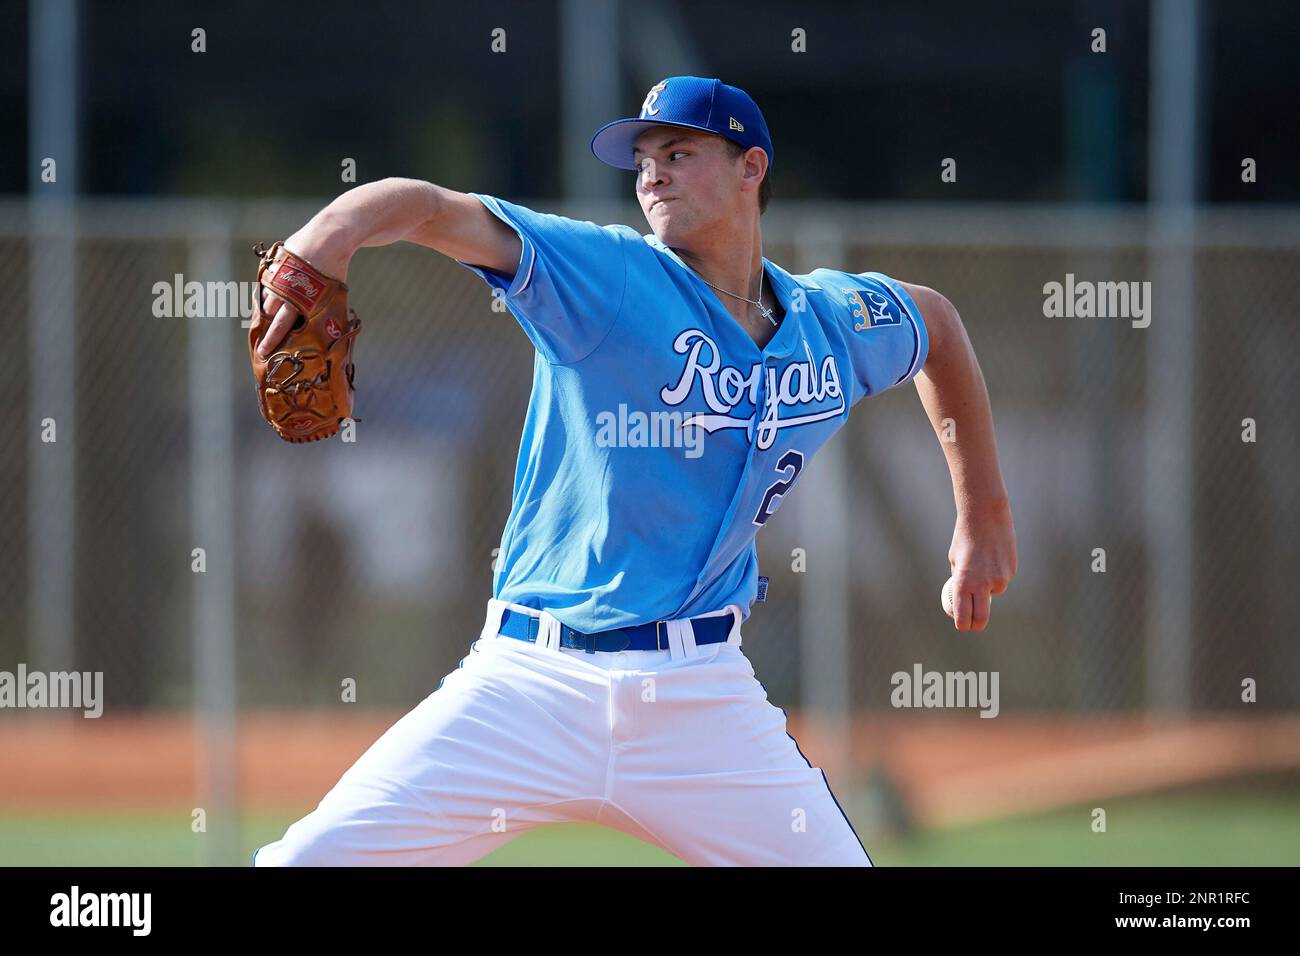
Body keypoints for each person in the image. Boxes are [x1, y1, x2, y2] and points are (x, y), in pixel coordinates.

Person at [252, 76, 1017, 867]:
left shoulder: (829, 326)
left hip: (702, 702)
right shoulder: (605, 276)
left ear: (751, 168)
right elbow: (432, 209)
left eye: (679, 153)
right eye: (643, 158)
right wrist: (330, 236)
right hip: (530, 685)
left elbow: (935, 322)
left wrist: (983, 513)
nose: (652, 172)